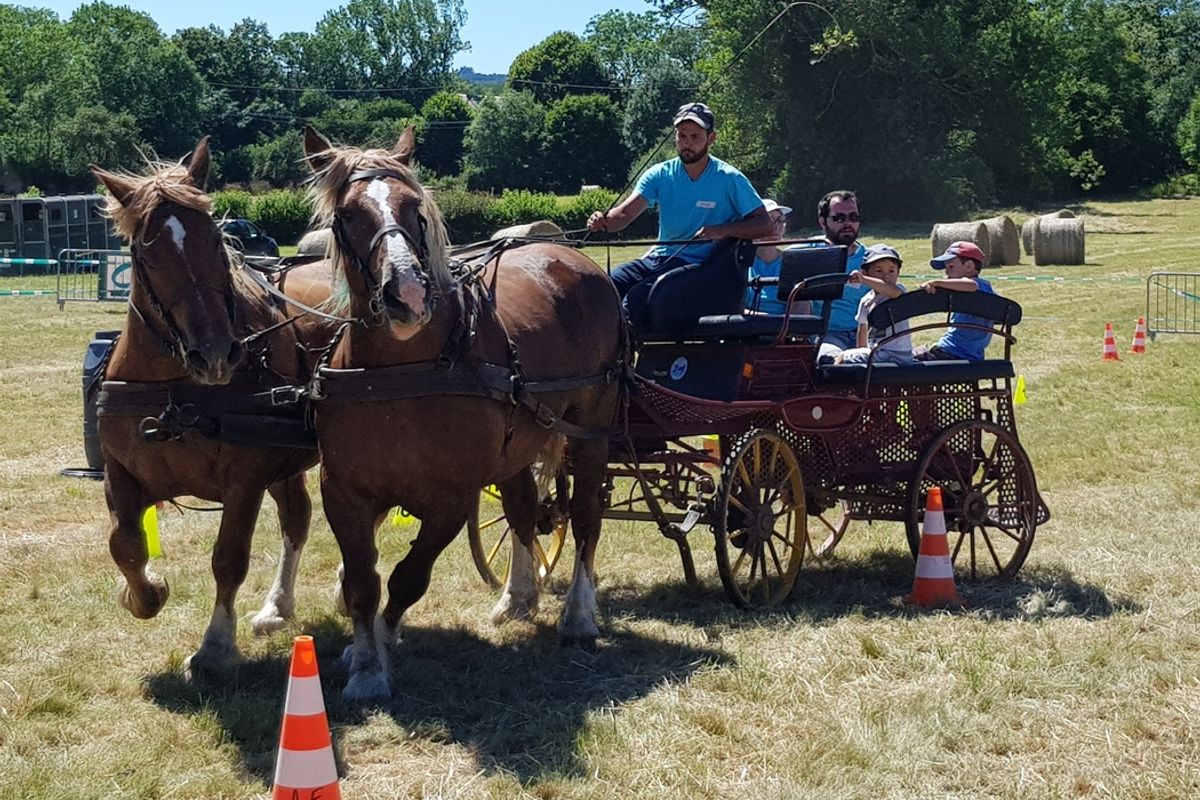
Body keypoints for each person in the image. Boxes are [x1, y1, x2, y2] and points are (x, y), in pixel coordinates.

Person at [586, 102, 773, 325]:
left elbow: (765, 224)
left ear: (711, 138)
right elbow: (624, 216)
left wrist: (721, 230)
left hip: (702, 267)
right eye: (682, 136)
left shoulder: (729, 178)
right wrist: (604, 221)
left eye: (695, 137)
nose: (687, 143)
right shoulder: (659, 174)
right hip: (659, 258)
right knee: (605, 288)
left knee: (634, 301)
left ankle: (625, 357)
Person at [802, 190, 869, 360]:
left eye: (853, 217)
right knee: (831, 361)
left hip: (869, 335)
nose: (847, 223)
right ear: (822, 222)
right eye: (839, 218)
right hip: (828, 336)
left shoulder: (873, 259)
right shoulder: (808, 253)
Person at [914, 240, 995, 361]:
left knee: (910, 359)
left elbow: (971, 285)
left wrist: (937, 283)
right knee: (917, 352)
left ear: (968, 266)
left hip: (950, 351)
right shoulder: (989, 289)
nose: (946, 272)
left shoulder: (977, 286)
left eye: (951, 266)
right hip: (974, 355)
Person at [834, 244, 912, 365]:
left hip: (897, 354)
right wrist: (860, 351)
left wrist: (864, 280)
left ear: (898, 273)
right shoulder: (866, 301)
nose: (886, 275)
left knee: (842, 357)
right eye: (879, 271)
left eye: (891, 271)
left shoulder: (898, 291)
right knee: (844, 357)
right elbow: (863, 329)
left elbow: (892, 292)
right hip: (877, 352)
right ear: (865, 272)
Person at [746, 199, 810, 314]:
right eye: (768, 221)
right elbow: (732, 307)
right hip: (746, 328)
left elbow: (801, 308)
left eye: (780, 220)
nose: (775, 227)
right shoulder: (741, 263)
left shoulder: (793, 263)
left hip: (784, 328)